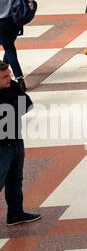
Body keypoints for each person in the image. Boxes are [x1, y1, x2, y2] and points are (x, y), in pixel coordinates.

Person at [0, 64, 40, 226]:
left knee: (15, 181)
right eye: (4, 77)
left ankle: (15, 214)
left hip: (16, 141)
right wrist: (13, 107)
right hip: (1, 147)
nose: (9, 78)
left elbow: (28, 104)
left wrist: (9, 109)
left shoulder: (13, 85)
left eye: (8, 75)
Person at [0, 0, 35, 82]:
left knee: (9, 49)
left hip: (1, 23)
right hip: (14, 21)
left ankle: (19, 78)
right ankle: (3, 70)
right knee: (8, 46)